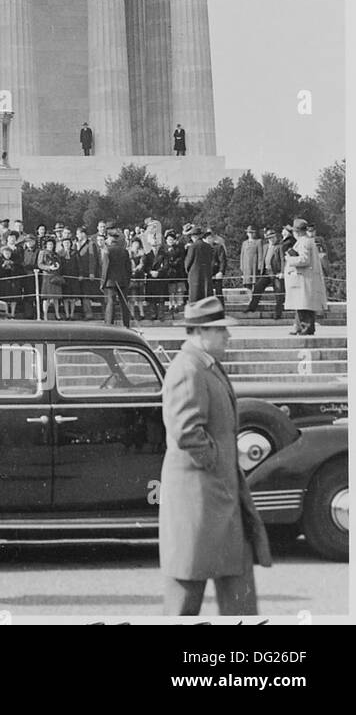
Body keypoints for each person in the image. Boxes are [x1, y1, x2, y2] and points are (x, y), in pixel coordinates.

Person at [159, 297, 271, 615]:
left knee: (233, 584)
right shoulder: (189, 368)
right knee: (186, 594)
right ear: (201, 332)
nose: (227, 336)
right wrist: (216, 459)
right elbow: (185, 431)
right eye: (221, 330)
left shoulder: (202, 364)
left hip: (212, 496)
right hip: (199, 498)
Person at [283, 219, 326, 336]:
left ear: (297, 232)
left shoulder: (304, 242)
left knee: (304, 305)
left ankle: (305, 328)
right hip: (303, 278)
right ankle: (299, 326)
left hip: (304, 279)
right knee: (301, 304)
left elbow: (304, 260)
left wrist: (289, 258)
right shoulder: (305, 241)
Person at [99, 227, 132, 328]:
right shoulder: (124, 251)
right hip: (123, 281)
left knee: (111, 303)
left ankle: (109, 324)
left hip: (110, 281)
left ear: (109, 239)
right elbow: (128, 268)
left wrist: (102, 283)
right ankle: (126, 325)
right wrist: (127, 281)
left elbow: (105, 268)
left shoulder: (107, 251)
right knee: (124, 303)